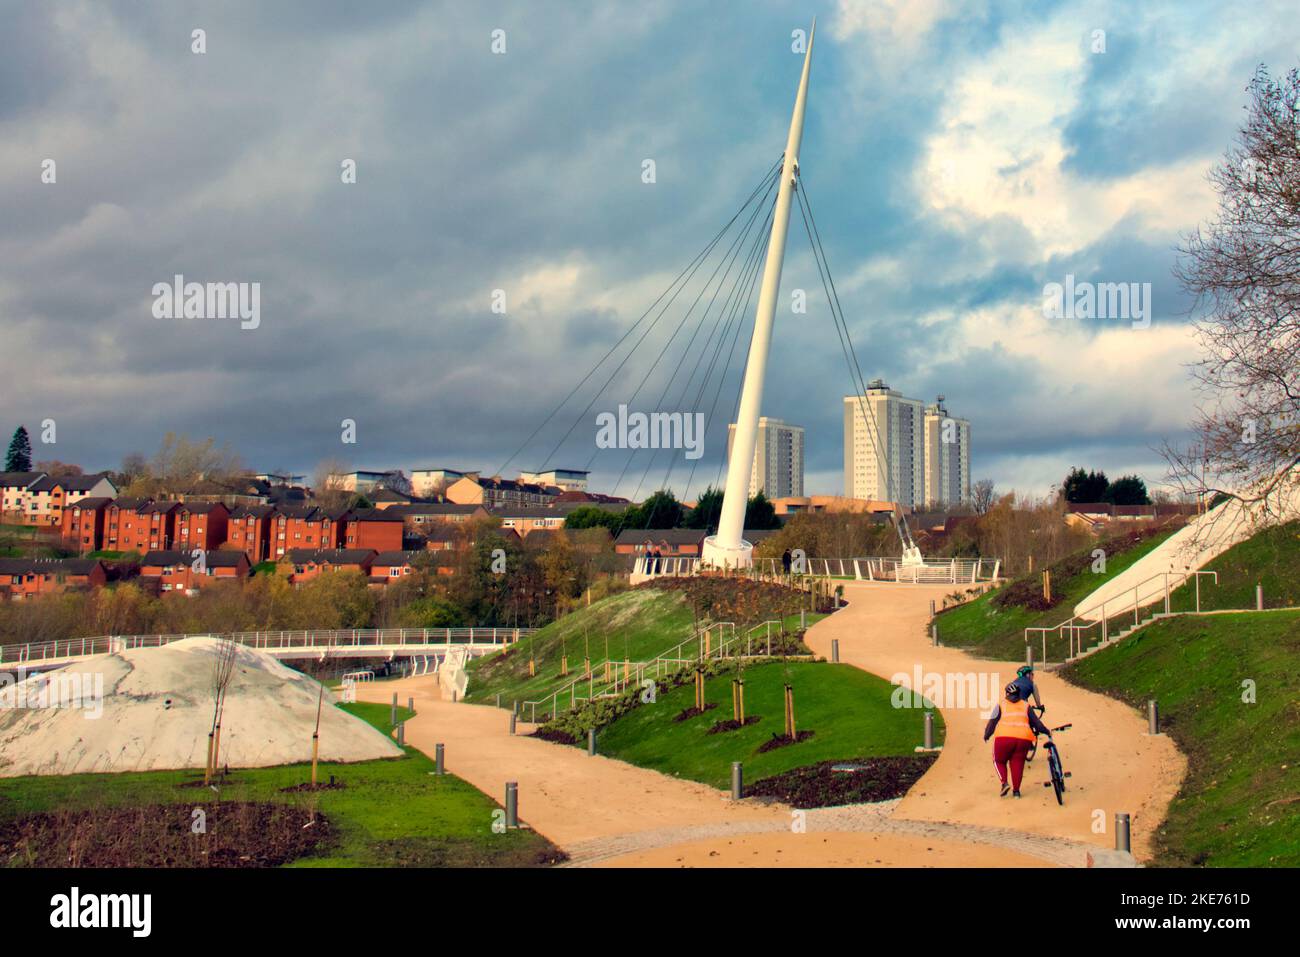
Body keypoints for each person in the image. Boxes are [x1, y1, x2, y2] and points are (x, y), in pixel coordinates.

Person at [984, 682, 1053, 797]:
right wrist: (1046, 731)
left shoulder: (1000, 705)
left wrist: (987, 735)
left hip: (1003, 738)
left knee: (999, 761)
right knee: (1018, 763)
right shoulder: (1026, 706)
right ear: (1019, 694)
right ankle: (1016, 791)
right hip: (1023, 739)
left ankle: (1004, 783)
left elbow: (992, 722)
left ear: (1006, 694)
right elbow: (1037, 723)